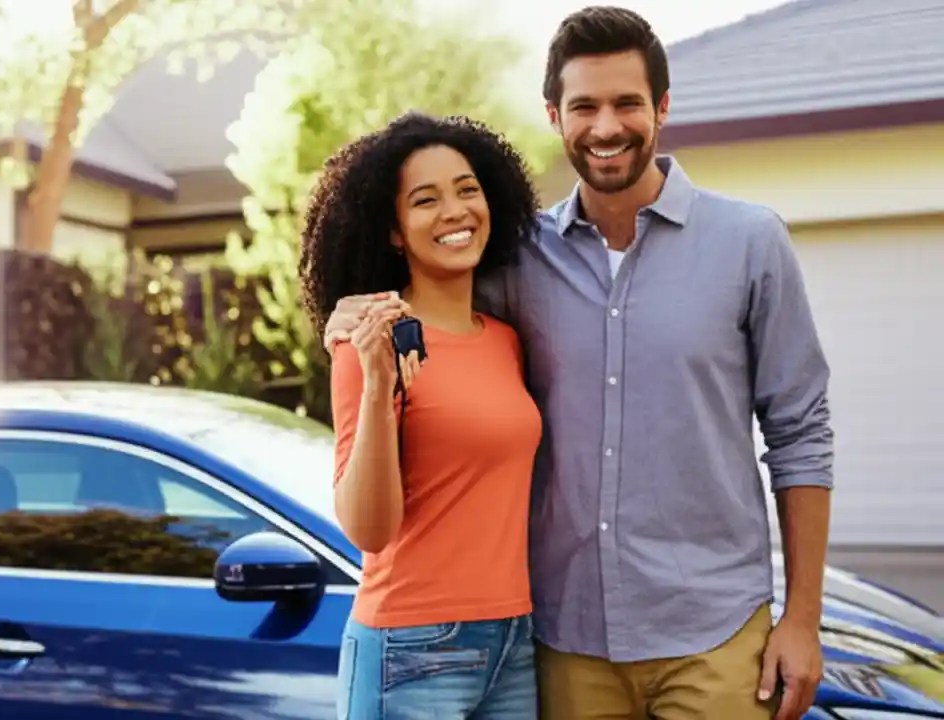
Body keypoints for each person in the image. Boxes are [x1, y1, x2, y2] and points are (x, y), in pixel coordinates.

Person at [322, 7, 834, 720]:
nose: (605, 127)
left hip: (714, 636)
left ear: (661, 106)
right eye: (584, 106)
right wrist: (349, 313)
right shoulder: (519, 258)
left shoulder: (750, 244)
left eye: (626, 103)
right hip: (563, 647)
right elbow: (432, 290)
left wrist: (803, 619)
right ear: (554, 116)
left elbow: (801, 433)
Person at [299, 111, 545, 718]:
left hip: (514, 641)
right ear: (393, 230)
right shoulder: (369, 340)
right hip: (409, 646)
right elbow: (369, 530)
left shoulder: (508, 341)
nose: (455, 211)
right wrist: (380, 388)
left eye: (467, 190)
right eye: (426, 200)